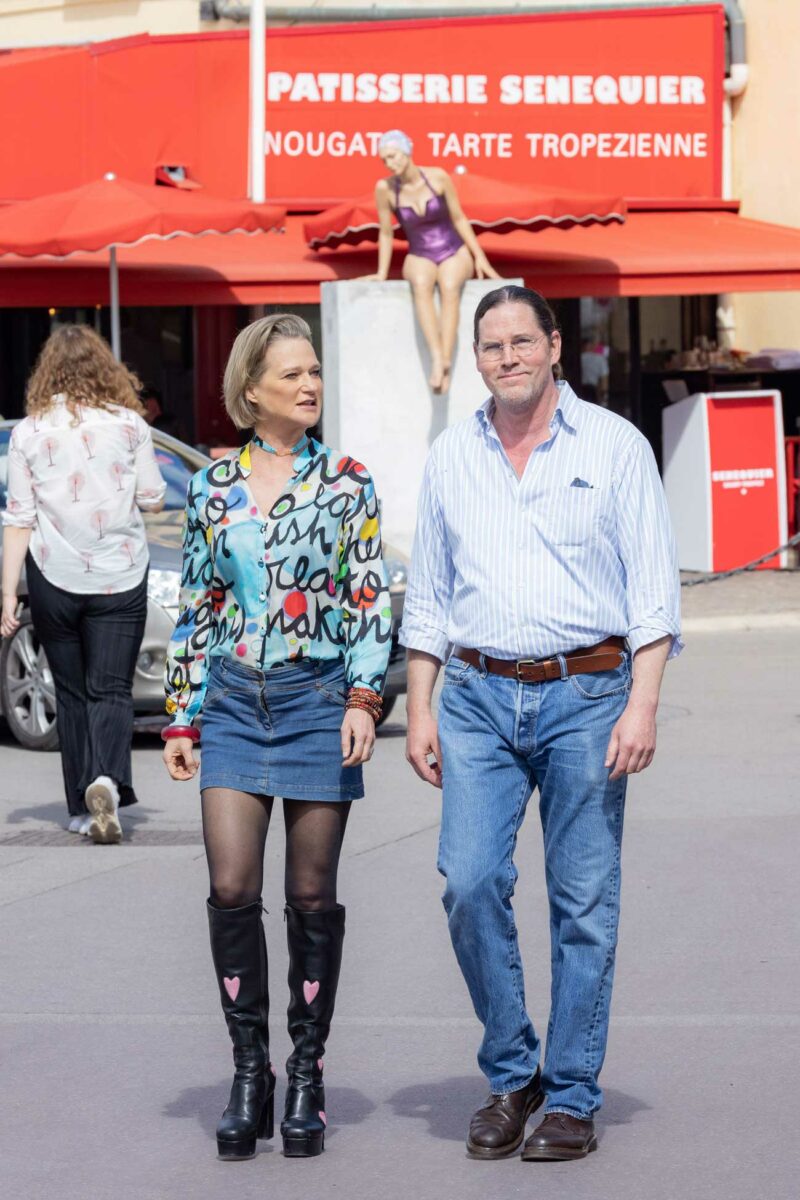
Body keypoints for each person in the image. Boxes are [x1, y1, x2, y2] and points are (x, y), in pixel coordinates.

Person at [401, 285, 681, 1162]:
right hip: (477, 696)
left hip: (588, 696)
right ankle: (512, 1071)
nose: (508, 358)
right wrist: (419, 706)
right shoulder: (453, 456)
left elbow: (653, 591)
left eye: (523, 341)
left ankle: (570, 1094)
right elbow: (429, 598)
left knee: (582, 903)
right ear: (477, 359)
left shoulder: (615, 446)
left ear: (555, 346)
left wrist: (643, 702)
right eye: (492, 347)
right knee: (468, 881)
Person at [162, 313, 391, 1162]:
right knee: (231, 888)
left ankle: (305, 1075)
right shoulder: (212, 487)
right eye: (292, 374)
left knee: (309, 894)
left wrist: (363, 699)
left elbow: (368, 596)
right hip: (231, 701)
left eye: (314, 372)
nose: (310, 385)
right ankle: (248, 1072)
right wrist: (182, 713)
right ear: (251, 390)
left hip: (317, 699)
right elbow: (200, 603)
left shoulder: (348, 483)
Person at [0, 324, 166, 843]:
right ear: (105, 369)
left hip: (53, 577)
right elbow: (153, 498)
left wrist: (6, 595)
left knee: (70, 692)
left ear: (46, 372)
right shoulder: (130, 425)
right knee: (111, 689)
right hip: (120, 573)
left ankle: (79, 808)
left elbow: (18, 518)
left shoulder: (28, 432)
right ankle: (107, 780)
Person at [361, 130, 501, 394]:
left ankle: (445, 360)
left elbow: (459, 218)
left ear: (406, 152)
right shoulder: (385, 188)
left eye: (393, 156)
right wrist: (381, 272)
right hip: (420, 251)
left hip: (453, 248)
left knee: (449, 285)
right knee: (421, 282)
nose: (389, 163)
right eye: (384, 159)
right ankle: (438, 358)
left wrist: (480, 257)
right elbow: (386, 232)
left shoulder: (437, 177)